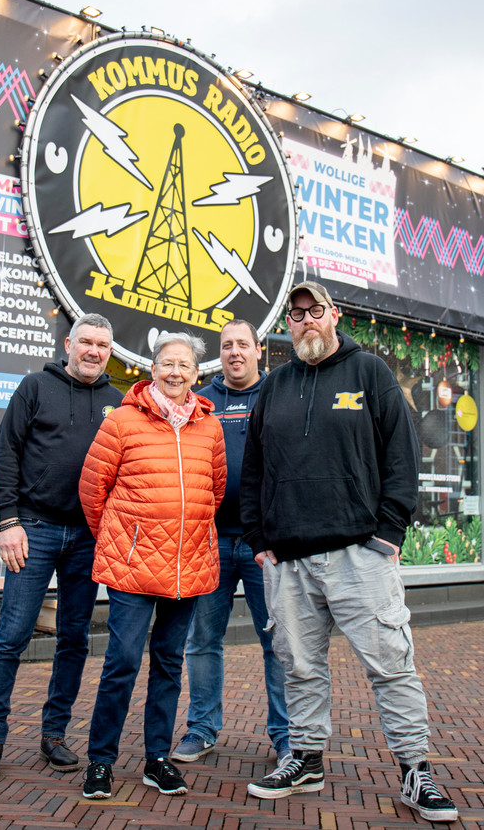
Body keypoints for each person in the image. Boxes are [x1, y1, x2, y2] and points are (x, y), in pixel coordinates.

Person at [239, 281, 458, 823]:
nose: (306, 320)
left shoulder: (371, 373)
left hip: (359, 555)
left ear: (334, 315)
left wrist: (389, 532)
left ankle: (415, 771)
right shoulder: (274, 386)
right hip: (287, 559)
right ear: (287, 326)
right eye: (297, 315)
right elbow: (254, 470)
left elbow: (401, 458)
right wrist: (260, 540)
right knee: (300, 668)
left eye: (315, 311)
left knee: (391, 665)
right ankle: (306, 759)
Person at [0, 314, 122, 781]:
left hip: (87, 537)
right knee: (11, 637)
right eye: (86, 342)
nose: (94, 351)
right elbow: (6, 452)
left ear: (109, 352)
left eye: (103, 345)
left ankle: (54, 735)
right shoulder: (35, 387)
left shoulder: (117, 404)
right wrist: (8, 520)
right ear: (68, 343)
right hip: (32, 530)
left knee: (74, 640)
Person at [78, 332, 226, 799]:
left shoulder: (211, 427)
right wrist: (121, 540)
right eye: (167, 363)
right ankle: (101, 760)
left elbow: (215, 491)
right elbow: (92, 490)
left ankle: (157, 759)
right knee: (121, 662)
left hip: (188, 566)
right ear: (153, 369)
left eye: (184, 365)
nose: (175, 372)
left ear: (196, 374)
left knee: (168, 663)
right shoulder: (122, 421)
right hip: (132, 566)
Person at [172, 319, 289, 765]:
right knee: (202, 640)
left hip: (267, 546)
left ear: (259, 349)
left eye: (243, 344)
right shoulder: (200, 401)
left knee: (277, 642)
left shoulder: (279, 394)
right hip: (209, 540)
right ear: (218, 354)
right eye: (226, 346)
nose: (234, 352)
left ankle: (285, 736)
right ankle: (202, 729)